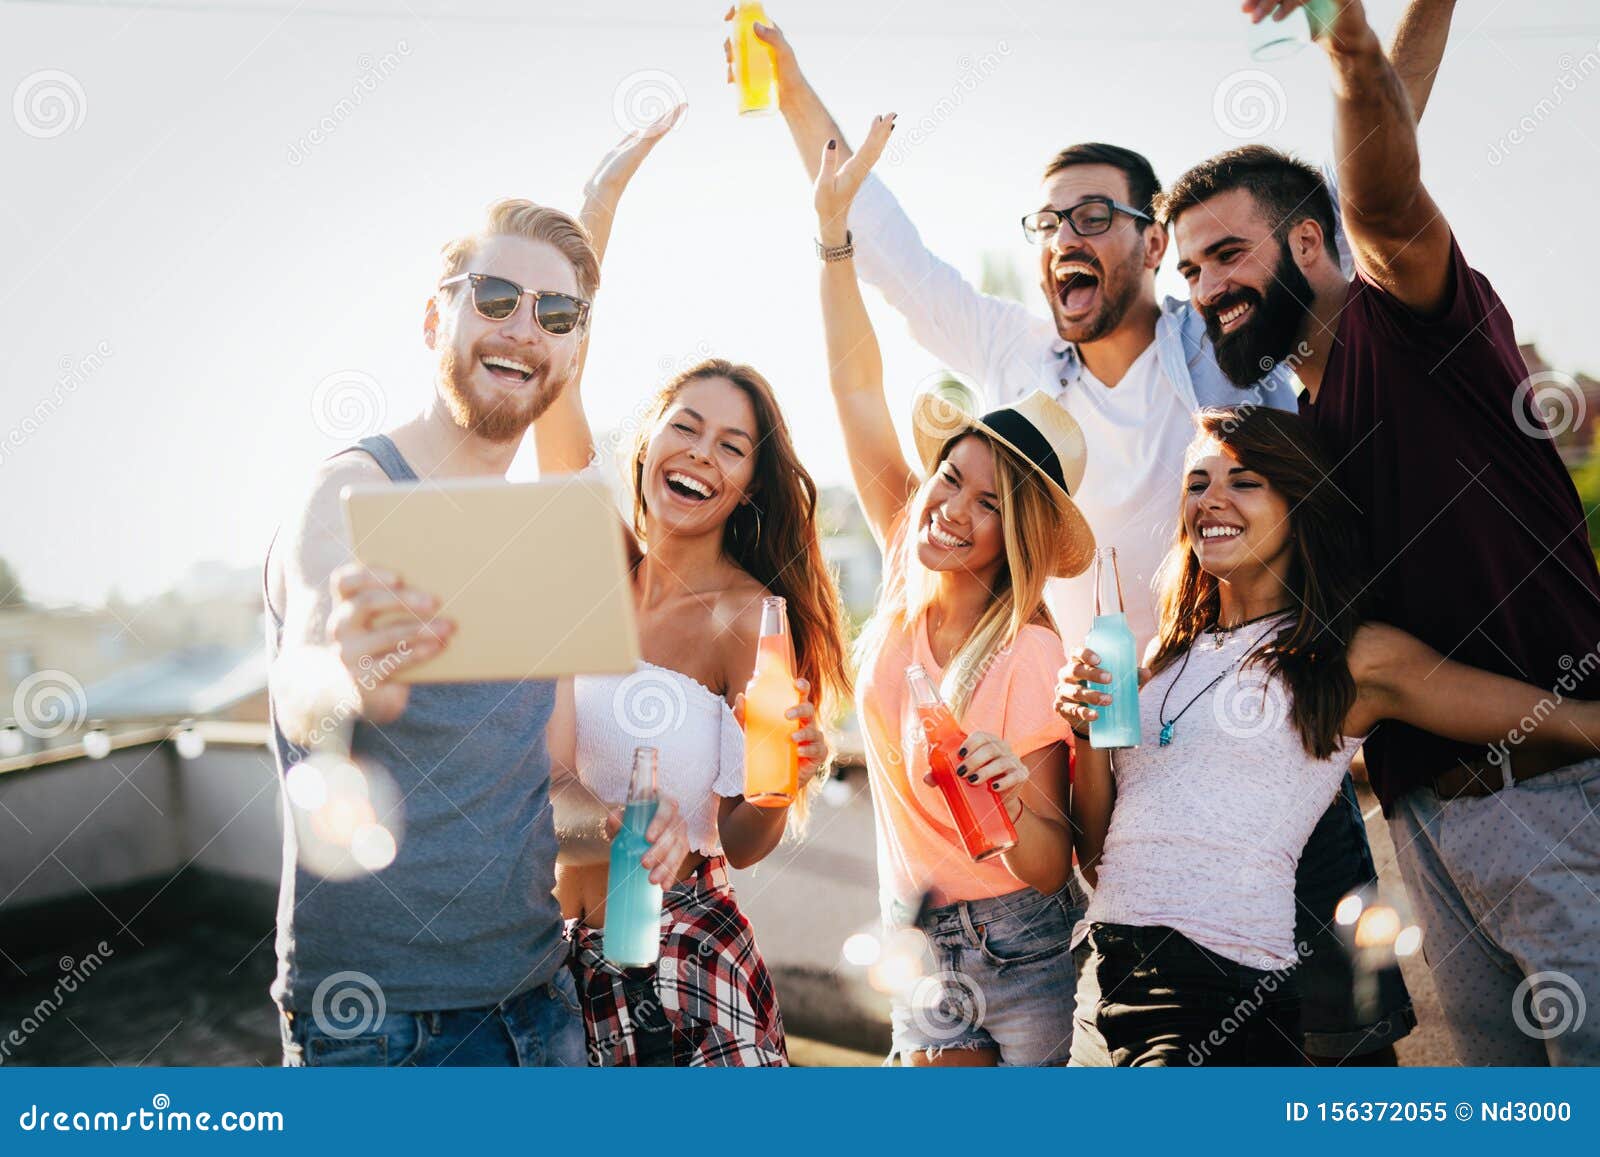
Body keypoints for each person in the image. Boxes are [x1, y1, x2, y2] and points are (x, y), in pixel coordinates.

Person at [749, 1, 1457, 1067]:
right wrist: (792, 85)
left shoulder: (1213, 345)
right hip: (1112, 771)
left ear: (1149, 238)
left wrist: (1382, 36)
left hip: (1264, 744)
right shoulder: (1015, 359)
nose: (1061, 241)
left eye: (1091, 217)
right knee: (1162, 1051)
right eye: (1045, 224)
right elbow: (884, 246)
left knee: (1337, 1051)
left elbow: (1349, 201)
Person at [1163, 0, 1600, 1065]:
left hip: (1558, 797)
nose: (1208, 287)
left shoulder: (1406, 325)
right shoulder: (1301, 435)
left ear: (1310, 242)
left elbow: (1381, 189)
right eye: (1190, 271)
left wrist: (1349, 44)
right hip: (1427, 831)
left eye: (1226, 254)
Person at [264, 197, 690, 1066]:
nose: (523, 328)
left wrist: (613, 824)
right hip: (382, 1028)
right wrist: (345, 671)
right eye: (494, 297)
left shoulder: (545, 536)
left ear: (573, 352)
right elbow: (303, 680)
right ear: (435, 318)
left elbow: (540, 785)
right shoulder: (346, 491)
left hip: (539, 1005)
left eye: (555, 313)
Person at [1061, 406, 1600, 1066]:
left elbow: (1545, 716)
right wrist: (1087, 735)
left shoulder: (1346, 658)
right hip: (1108, 984)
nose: (1213, 500)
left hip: (1218, 988)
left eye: (1245, 480)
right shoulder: (1156, 661)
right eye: (1197, 483)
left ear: (1299, 501)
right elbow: (1096, 858)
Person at [535, 115, 848, 1067]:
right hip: (552, 964)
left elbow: (747, 839)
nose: (702, 454)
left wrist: (786, 777)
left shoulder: (751, 620)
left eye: (732, 445)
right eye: (687, 425)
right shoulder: (592, 561)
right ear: (649, 440)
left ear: (748, 484)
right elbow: (554, 379)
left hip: (686, 958)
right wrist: (597, 209)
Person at [815, 112, 1091, 1066]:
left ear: (1016, 536)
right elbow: (855, 390)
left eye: (989, 503)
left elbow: (1051, 858)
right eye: (950, 479)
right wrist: (832, 242)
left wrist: (1011, 795)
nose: (951, 509)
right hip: (917, 930)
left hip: (1014, 937)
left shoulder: (1029, 650)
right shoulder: (903, 572)